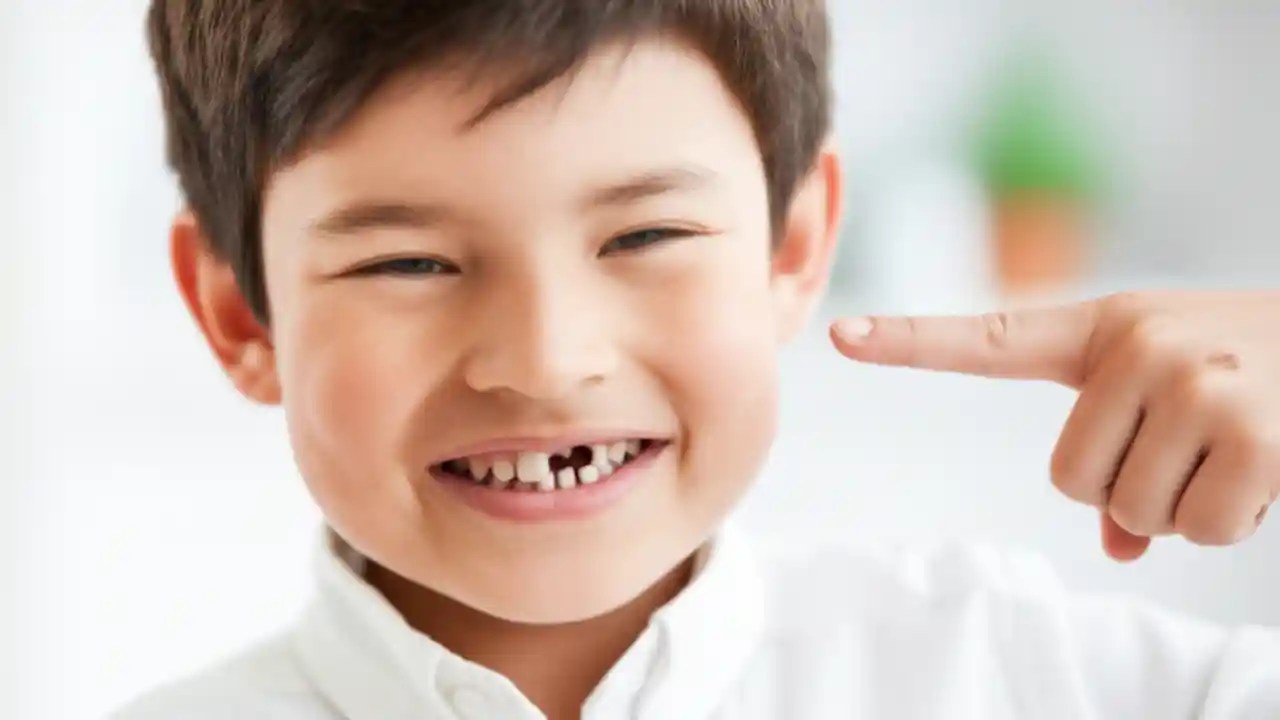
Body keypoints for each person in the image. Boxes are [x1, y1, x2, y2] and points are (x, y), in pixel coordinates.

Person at [117, 1, 1280, 718]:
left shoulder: (1029, 677)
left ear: (793, 242)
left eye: (645, 236)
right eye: (409, 264)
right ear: (240, 314)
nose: (544, 363)